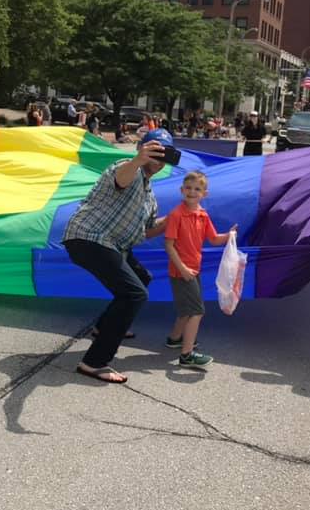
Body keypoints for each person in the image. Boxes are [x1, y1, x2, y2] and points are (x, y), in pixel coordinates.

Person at [63, 128, 172, 384]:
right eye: (154, 151)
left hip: (113, 245)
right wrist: (138, 160)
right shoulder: (126, 168)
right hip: (88, 238)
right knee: (134, 294)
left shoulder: (150, 196)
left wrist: (176, 218)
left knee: (141, 278)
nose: (158, 159)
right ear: (142, 149)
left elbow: (145, 232)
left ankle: (103, 327)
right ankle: (94, 362)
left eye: (163, 154)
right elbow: (122, 179)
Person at [164, 171, 236, 369]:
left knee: (186, 310)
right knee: (197, 311)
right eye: (188, 188)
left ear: (205, 194)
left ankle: (174, 339)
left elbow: (213, 239)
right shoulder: (176, 215)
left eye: (197, 189)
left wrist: (229, 235)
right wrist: (183, 268)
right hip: (181, 271)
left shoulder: (203, 216)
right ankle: (186, 355)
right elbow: (169, 245)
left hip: (194, 270)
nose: (192, 192)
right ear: (181, 190)